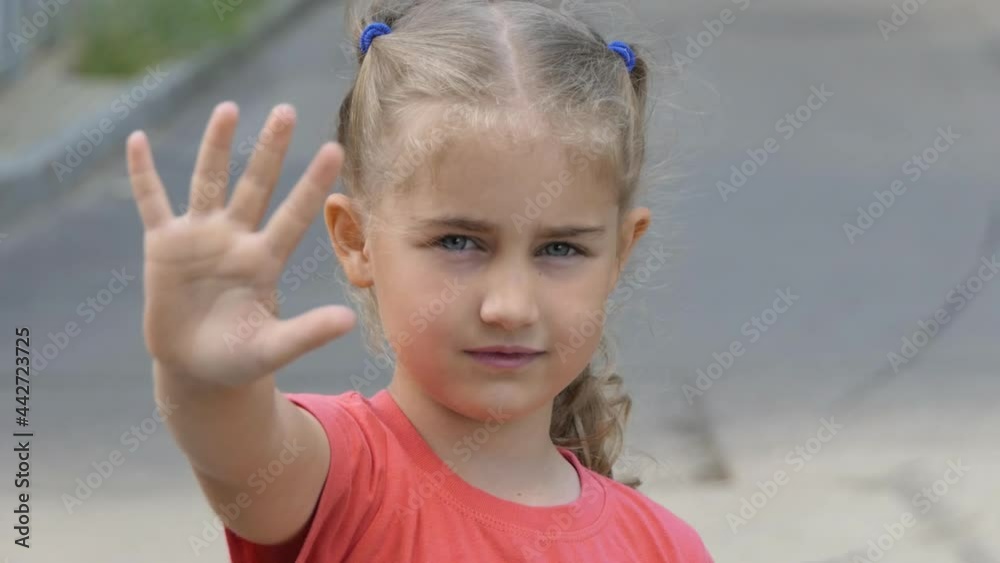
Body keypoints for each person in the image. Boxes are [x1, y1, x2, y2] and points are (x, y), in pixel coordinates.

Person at [125, 0, 714, 561]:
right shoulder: (338, 478)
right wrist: (202, 382)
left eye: (560, 248)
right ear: (356, 240)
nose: (509, 306)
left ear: (620, 253)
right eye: (458, 242)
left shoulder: (665, 547)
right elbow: (235, 448)